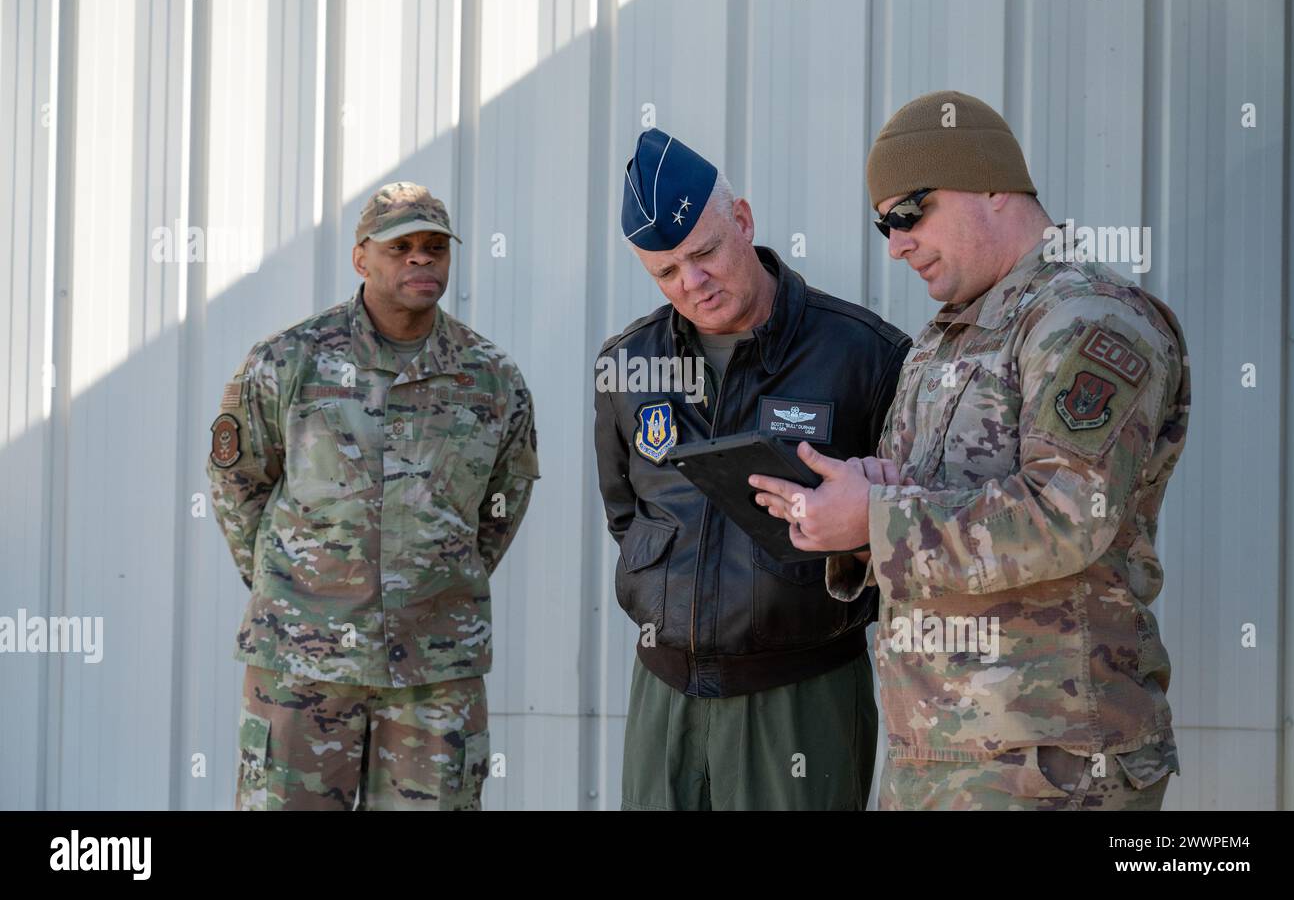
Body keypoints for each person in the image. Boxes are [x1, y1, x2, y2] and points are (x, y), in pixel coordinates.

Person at [750, 91, 1190, 809]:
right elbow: (933, 507)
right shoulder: (947, 336)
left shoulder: (1087, 317)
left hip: (1050, 766)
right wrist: (865, 499)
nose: (896, 244)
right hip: (939, 755)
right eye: (883, 226)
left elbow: (1067, 514)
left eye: (908, 214)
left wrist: (878, 519)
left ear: (991, 184)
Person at [594, 128, 910, 810]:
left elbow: (910, 534)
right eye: (666, 273)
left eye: (703, 253)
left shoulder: (864, 356)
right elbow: (626, 514)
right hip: (664, 699)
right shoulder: (628, 364)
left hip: (801, 697)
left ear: (742, 221)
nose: (692, 284)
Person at [208, 182, 539, 810]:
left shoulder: (491, 377)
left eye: (435, 247)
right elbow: (238, 483)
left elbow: (502, 501)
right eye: (400, 246)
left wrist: (429, 579)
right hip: (304, 661)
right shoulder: (289, 361)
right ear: (362, 257)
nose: (420, 258)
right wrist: (298, 585)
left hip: (434, 666)